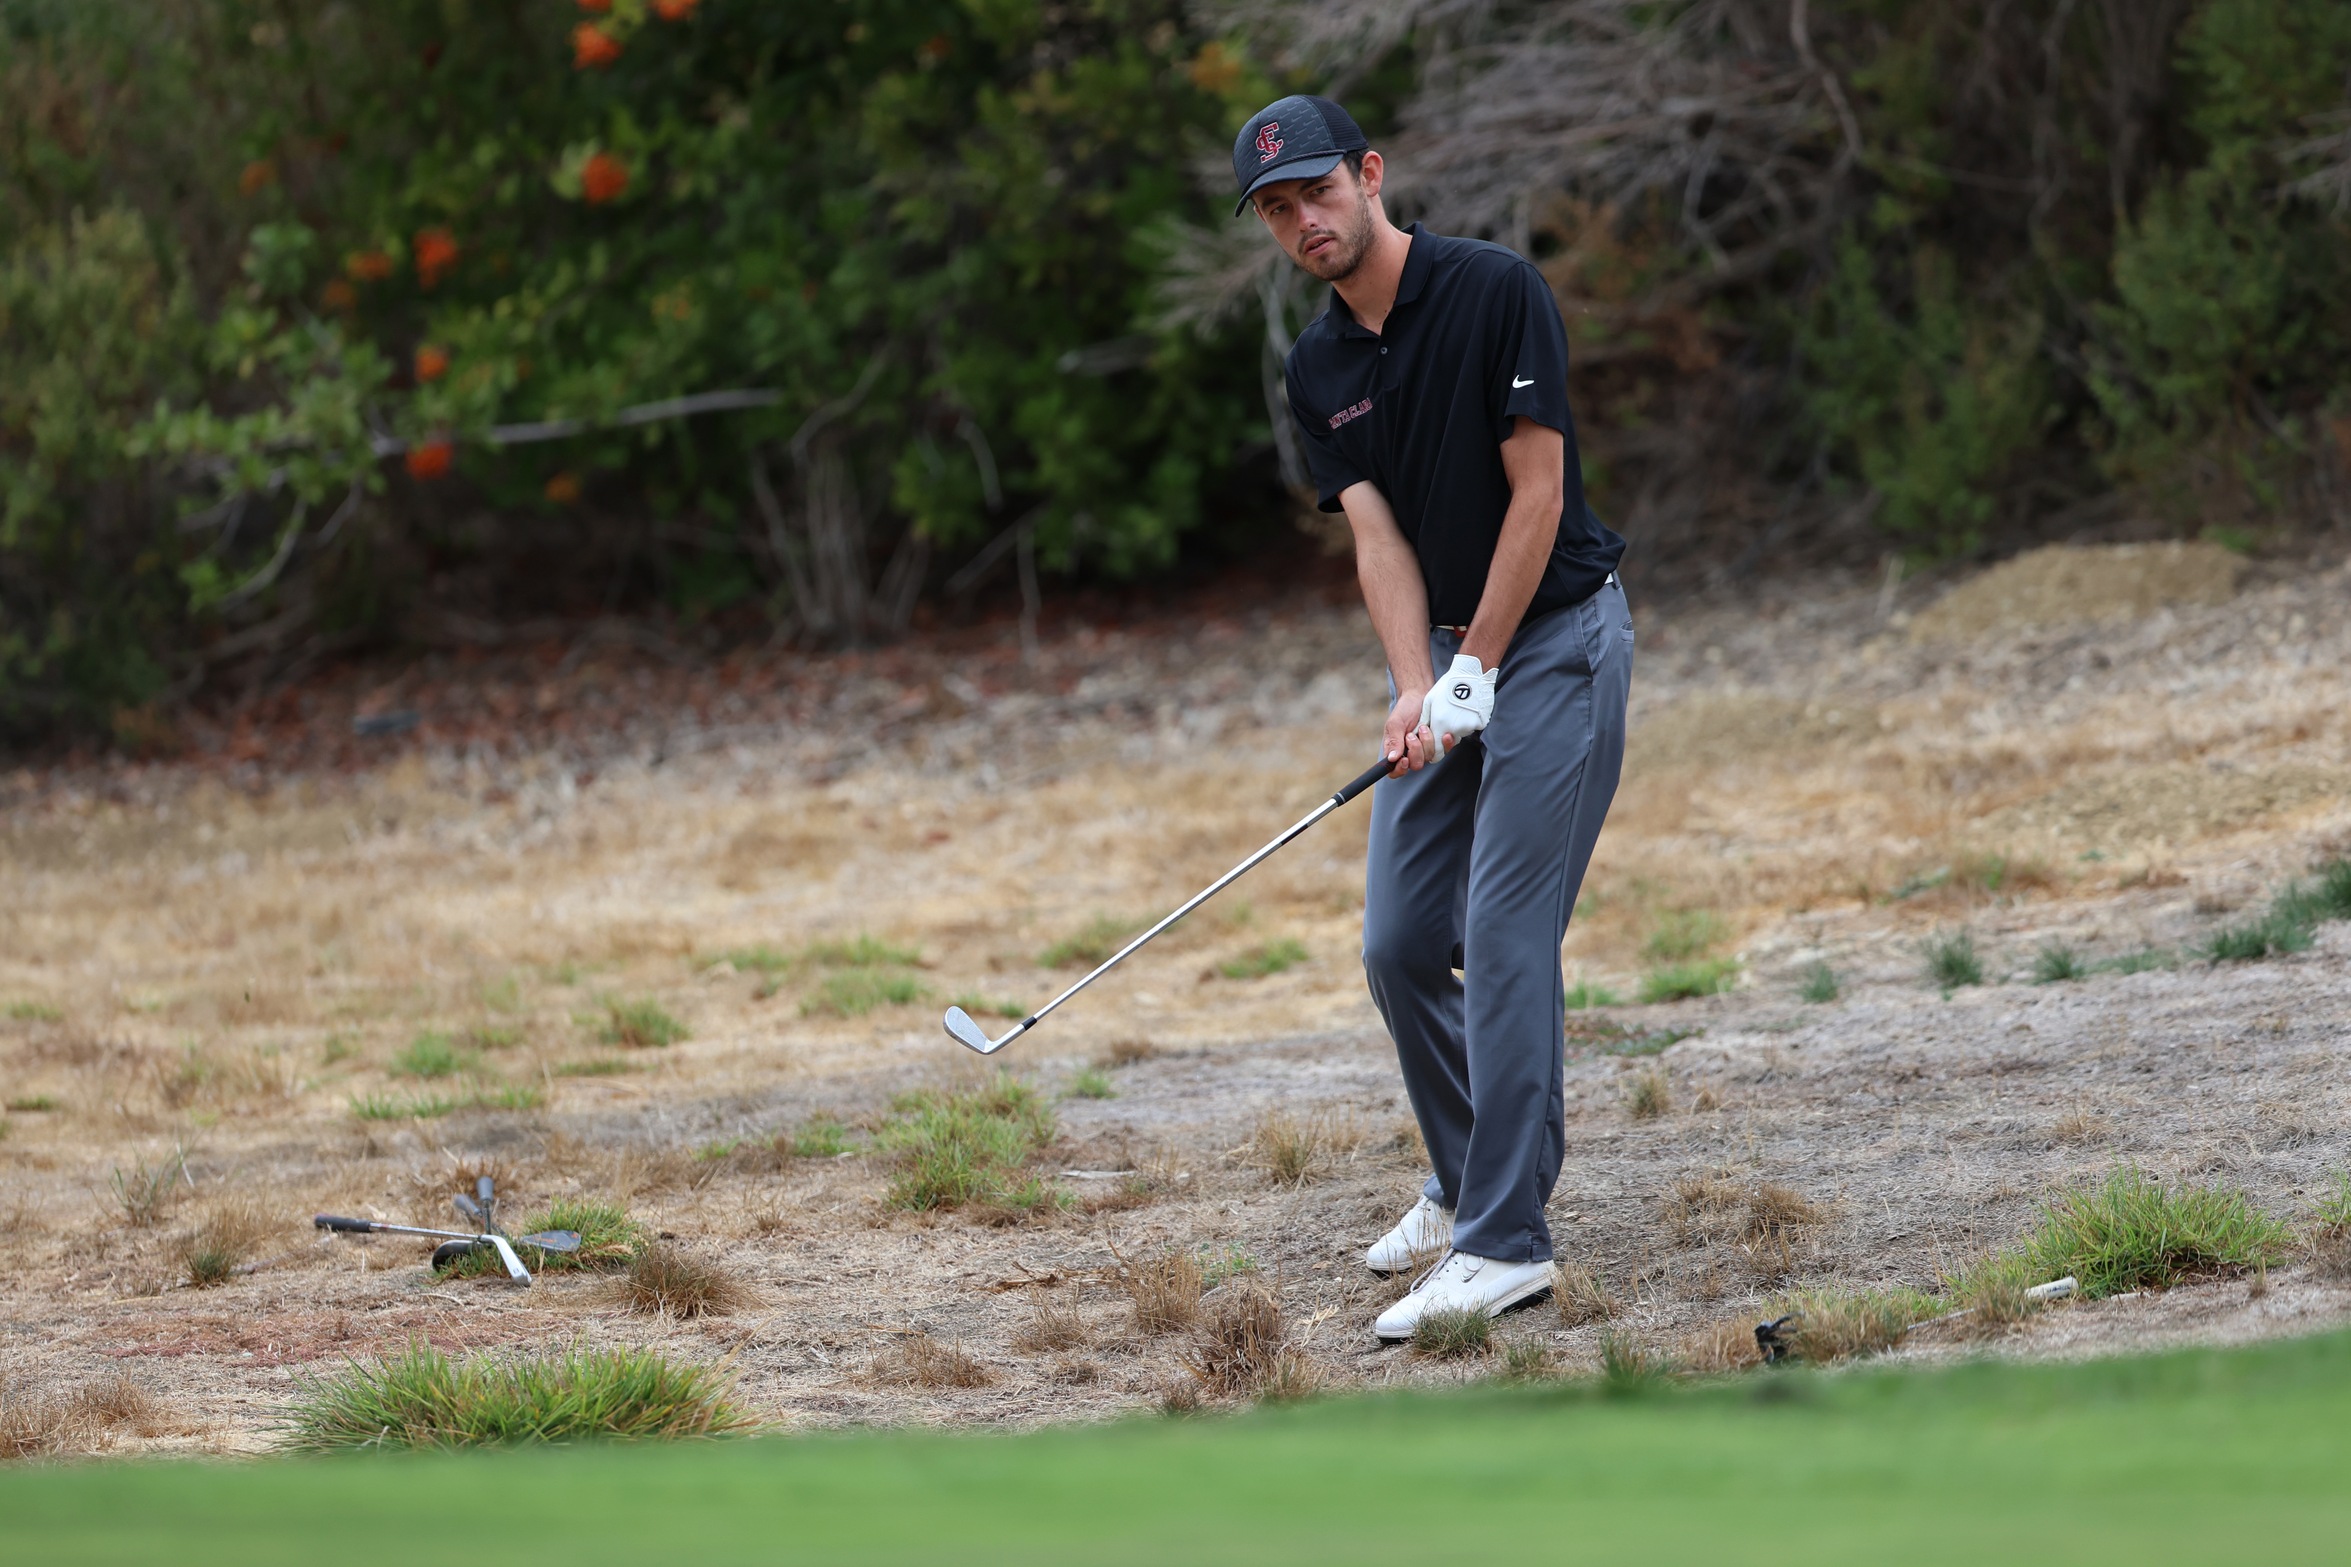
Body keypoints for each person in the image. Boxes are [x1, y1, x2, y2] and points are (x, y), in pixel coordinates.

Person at [1235, 95, 1633, 1339]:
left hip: (1556, 638)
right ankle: (1465, 1181)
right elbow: (1377, 539)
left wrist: (1483, 663)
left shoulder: (1492, 290)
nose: (1304, 220)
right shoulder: (1315, 368)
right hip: (1451, 657)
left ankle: (1504, 1244)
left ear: (1368, 173)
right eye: (1276, 209)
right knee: (1400, 940)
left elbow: (1537, 493)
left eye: (1317, 190)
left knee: (1503, 933)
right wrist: (1417, 681)